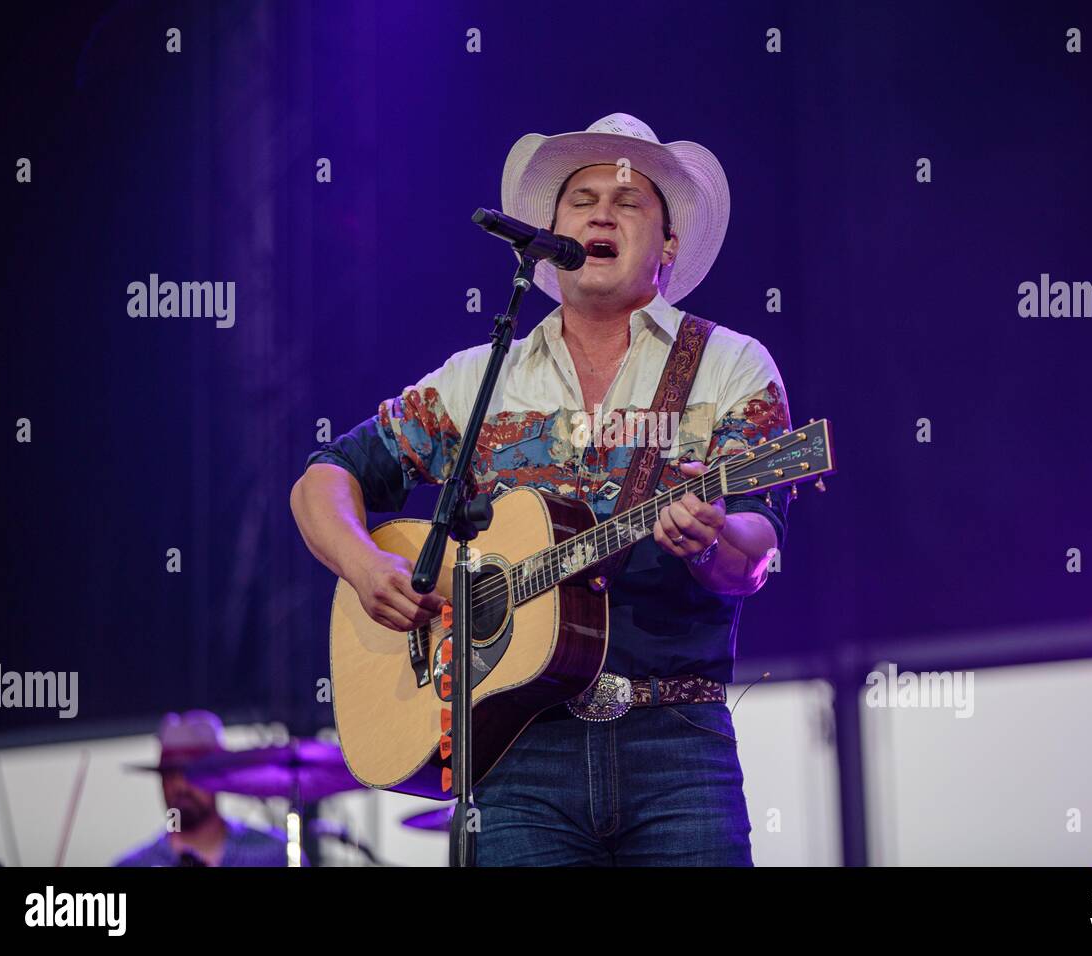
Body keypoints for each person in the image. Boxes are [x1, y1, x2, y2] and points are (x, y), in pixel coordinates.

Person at [292, 113, 792, 866]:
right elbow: (324, 477)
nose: (599, 211)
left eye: (627, 202)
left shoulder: (729, 366)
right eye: (580, 198)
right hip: (516, 754)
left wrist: (712, 540)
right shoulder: (478, 378)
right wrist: (366, 568)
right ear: (549, 238)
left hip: (676, 746)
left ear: (668, 245)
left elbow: (754, 553)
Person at [115, 710, 295, 867]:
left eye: (193, 774)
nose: (180, 786)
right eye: (170, 774)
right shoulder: (135, 865)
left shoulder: (275, 856)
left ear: (218, 777)